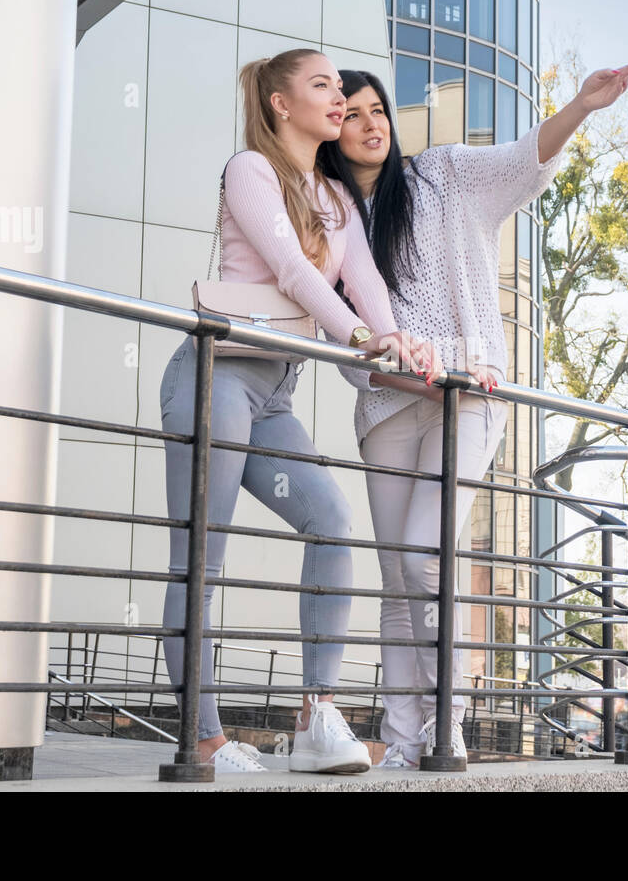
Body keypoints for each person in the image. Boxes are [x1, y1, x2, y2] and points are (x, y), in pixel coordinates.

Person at [318, 59, 628, 768]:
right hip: (386, 404)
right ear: (330, 132)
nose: (371, 125)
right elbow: (336, 331)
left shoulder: (442, 174)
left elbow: (524, 159)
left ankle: (448, 727)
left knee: (426, 558)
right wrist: (401, 375)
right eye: (352, 115)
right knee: (399, 579)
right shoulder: (331, 217)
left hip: (469, 395)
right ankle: (402, 745)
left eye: (378, 111)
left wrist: (582, 107)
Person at [158, 49, 440, 774]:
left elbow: (365, 282)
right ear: (282, 105)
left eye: (341, 87)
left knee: (330, 519)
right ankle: (205, 738)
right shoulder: (250, 169)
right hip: (216, 373)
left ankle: (318, 715)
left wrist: (399, 341)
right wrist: (359, 336)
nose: (340, 97)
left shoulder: (337, 199)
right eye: (323, 86)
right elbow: (288, 267)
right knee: (204, 555)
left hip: (275, 390)